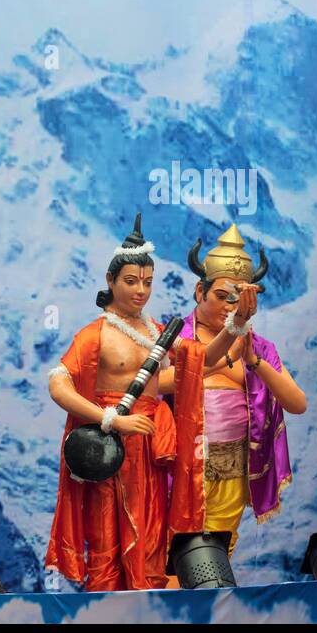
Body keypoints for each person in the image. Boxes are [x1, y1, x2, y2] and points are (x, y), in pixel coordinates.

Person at [44, 213, 255, 590]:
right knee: (109, 547)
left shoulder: (156, 332)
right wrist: (110, 419)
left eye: (147, 282)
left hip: (151, 453)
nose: (140, 291)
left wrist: (235, 323)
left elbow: (201, 360)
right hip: (112, 452)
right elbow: (58, 385)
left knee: (153, 542)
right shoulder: (96, 335)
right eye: (130, 281)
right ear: (110, 282)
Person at [160, 224, 305, 558]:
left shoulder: (257, 346)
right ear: (200, 292)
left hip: (233, 470)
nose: (229, 308)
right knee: (174, 553)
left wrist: (255, 362)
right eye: (222, 297)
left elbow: (297, 403)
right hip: (181, 467)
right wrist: (222, 356)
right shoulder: (174, 338)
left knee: (215, 555)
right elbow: (156, 386)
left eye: (238, 301)